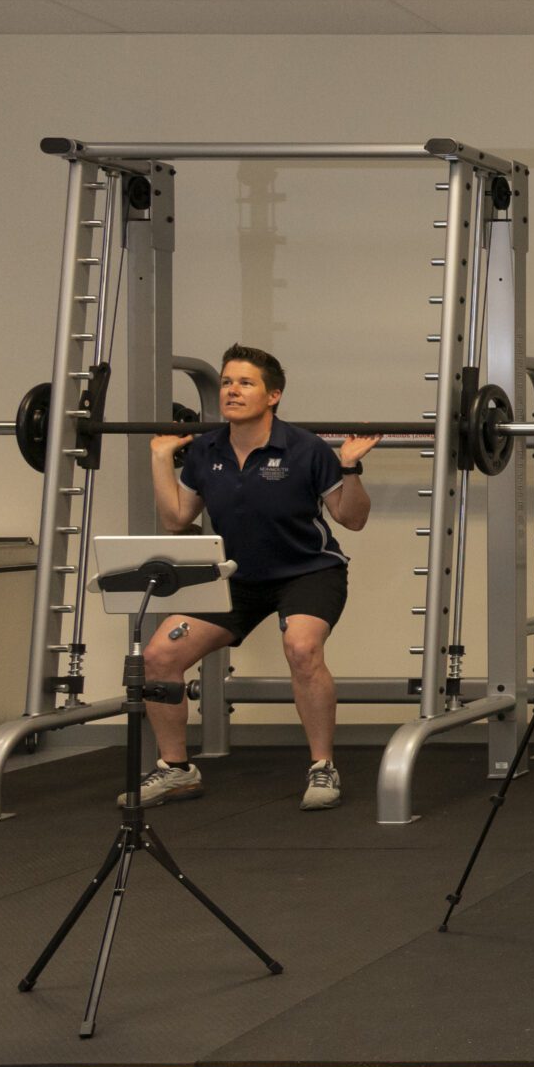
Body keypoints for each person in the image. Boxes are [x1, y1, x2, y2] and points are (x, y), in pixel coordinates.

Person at [137, 345, 374, 811]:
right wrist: (161, 458)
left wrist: (350, 466)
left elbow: (353, 518)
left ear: (273, 396)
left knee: (302, 648)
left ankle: (322, 766)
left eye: (245, 383)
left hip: (308, 571)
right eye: (227, 382)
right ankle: (177, 770)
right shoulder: (205, 450)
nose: (232, 390)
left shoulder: (305, 448)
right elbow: (176, 519)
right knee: (159, 656)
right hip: (236, 578)